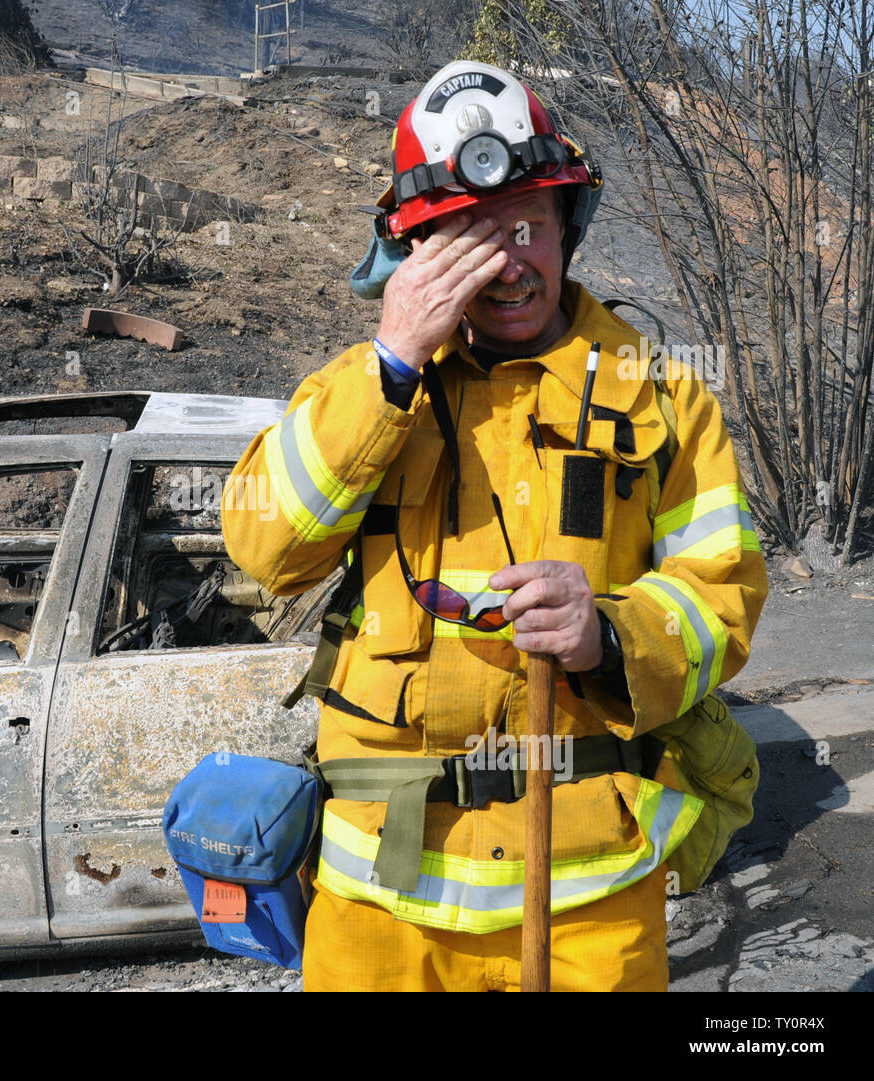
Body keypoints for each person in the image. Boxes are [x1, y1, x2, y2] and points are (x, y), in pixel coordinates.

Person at [221, 59, 769, 991]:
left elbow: (726, 595)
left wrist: (611, 632)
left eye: (527, 226)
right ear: (415, 255)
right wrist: (393, 362)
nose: (510, 263)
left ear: (568, 225)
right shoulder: (357, 393)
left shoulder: (663, 392)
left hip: (586, 896)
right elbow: (264, 549)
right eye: (468, 237)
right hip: (381, 904)